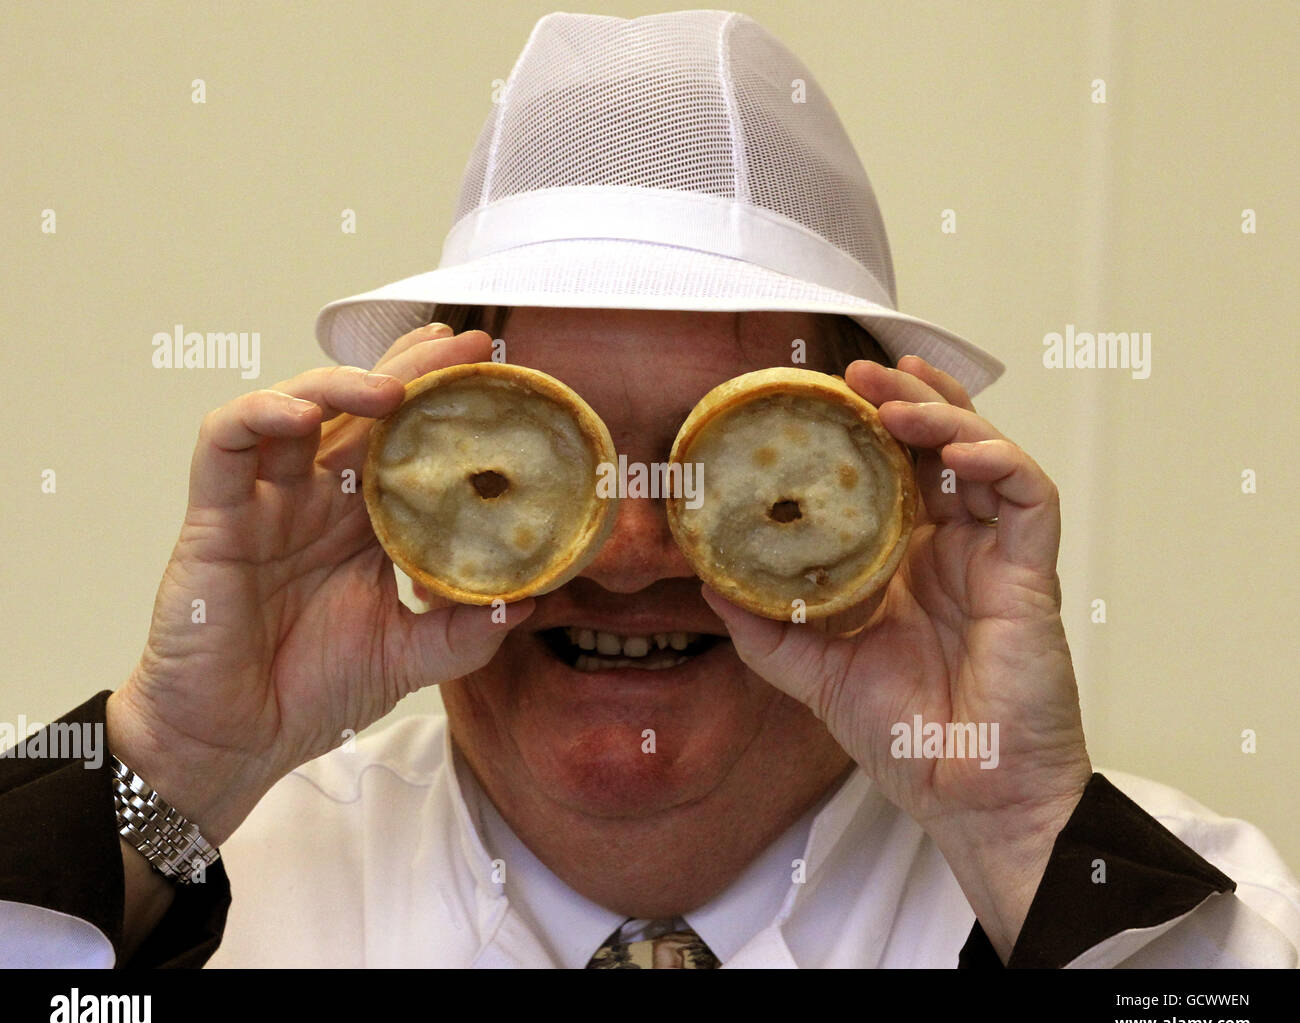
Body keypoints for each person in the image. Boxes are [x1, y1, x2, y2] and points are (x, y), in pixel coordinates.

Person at [3, 10, 1297, 969]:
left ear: (895, 489)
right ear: (403, 479)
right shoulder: (197, 889)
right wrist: (174, 772)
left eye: (736, 467)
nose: (625, 547)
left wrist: (1019, 827)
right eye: (532, 461)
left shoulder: (1167, 923)